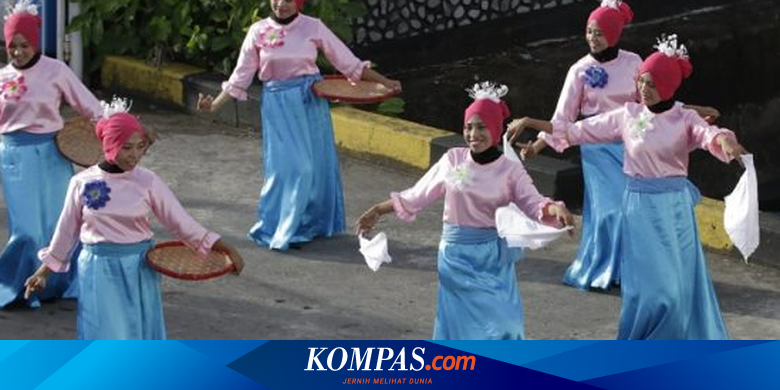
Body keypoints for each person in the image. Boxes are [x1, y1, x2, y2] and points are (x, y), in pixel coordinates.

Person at [507, 35, 745, 339]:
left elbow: (709, 133)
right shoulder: (628, 115)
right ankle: (651, 343)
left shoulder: (684, 118)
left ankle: (680, 345)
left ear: (668, 86)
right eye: (641, 82)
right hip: (640, 208)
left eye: (652, 84)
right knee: (656, 290)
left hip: (676, 211)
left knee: (682, 285)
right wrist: (531, 122)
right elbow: (576, 129)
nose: (643, 90)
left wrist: (725, 140)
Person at [517, 0, 719, 291]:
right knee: (609, 210)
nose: (592, 37)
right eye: (588, 31)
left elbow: (654, 100)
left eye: (599, 32)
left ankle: (635, 269)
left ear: (613, 33)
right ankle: (603, 267)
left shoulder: (634, 61)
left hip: (632, 142)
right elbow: (563, 118)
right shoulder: (579, 70)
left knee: (633, 209)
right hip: (595, 149)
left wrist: (691, 110)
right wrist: (537, 146)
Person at [356, 83, 574, 340]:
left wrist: (554, 207)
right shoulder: (453, 159)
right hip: (455, 257)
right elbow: (417, 195)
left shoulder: (510, 170)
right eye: (468, 127)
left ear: (494, 129)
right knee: (461, 330)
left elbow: (533, 202)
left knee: (505, 328)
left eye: (481, 127)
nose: (473, 134)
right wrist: (379, 210)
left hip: (492, 259)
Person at [24, 98, 245, 340]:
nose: (135, 155)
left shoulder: (148, 181)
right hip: (98, 269)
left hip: (138, 268)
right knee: (104, 332)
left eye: (140, 147)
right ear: (108, 144)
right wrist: (42, 273)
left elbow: (183, 224)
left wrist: (225, 248)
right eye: (126, 148)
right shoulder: (81, 183)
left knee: (138, 331)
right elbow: (66, 233)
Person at [197, 0, 402, 251]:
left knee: (316, 166)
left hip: (310, 102)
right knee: (294, 168)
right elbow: (241, 76)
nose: (280, 4)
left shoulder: (313, 27)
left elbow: (348, 63)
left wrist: (386, 82)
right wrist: (213, 106)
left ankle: (309, 225)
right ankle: (282, 227)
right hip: (278, 106)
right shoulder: (258, 31)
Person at [0, 0, 103, 308]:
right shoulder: (2, 77)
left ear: (36, 42)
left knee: (61, 222)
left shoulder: (56, 70)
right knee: (28, 228)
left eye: (25, 44)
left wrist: (117, 134)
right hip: (14, 159)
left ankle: (58, 283)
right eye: (12, 46)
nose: (18, 52)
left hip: (53, 156)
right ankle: (19, 286)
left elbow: (91, 107)